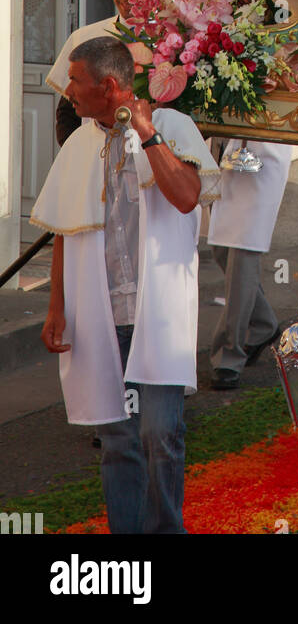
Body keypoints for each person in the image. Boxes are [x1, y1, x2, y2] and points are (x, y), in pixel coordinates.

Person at [32, 37, 220, 534]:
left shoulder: (173, 125)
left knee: (162, 435)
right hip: (100, 313)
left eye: (75, 80)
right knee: (117, 441)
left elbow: (186, 198)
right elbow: (66, 230)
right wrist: (57, 307)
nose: (68, 90)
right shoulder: (78, 142)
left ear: (108, 85)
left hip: (156, 313)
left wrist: (147, 133)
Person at [208, 138, 293, 390]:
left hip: (266, 148)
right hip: (226, 145)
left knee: (243, 252)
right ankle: (263, 324)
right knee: (221, 247)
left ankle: (228, 354)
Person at [47, 0, 149, 145]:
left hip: (148, 156)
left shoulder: (174, 43)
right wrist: (77, 153)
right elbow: (67, 112)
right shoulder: (85, 37)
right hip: (96, 153)